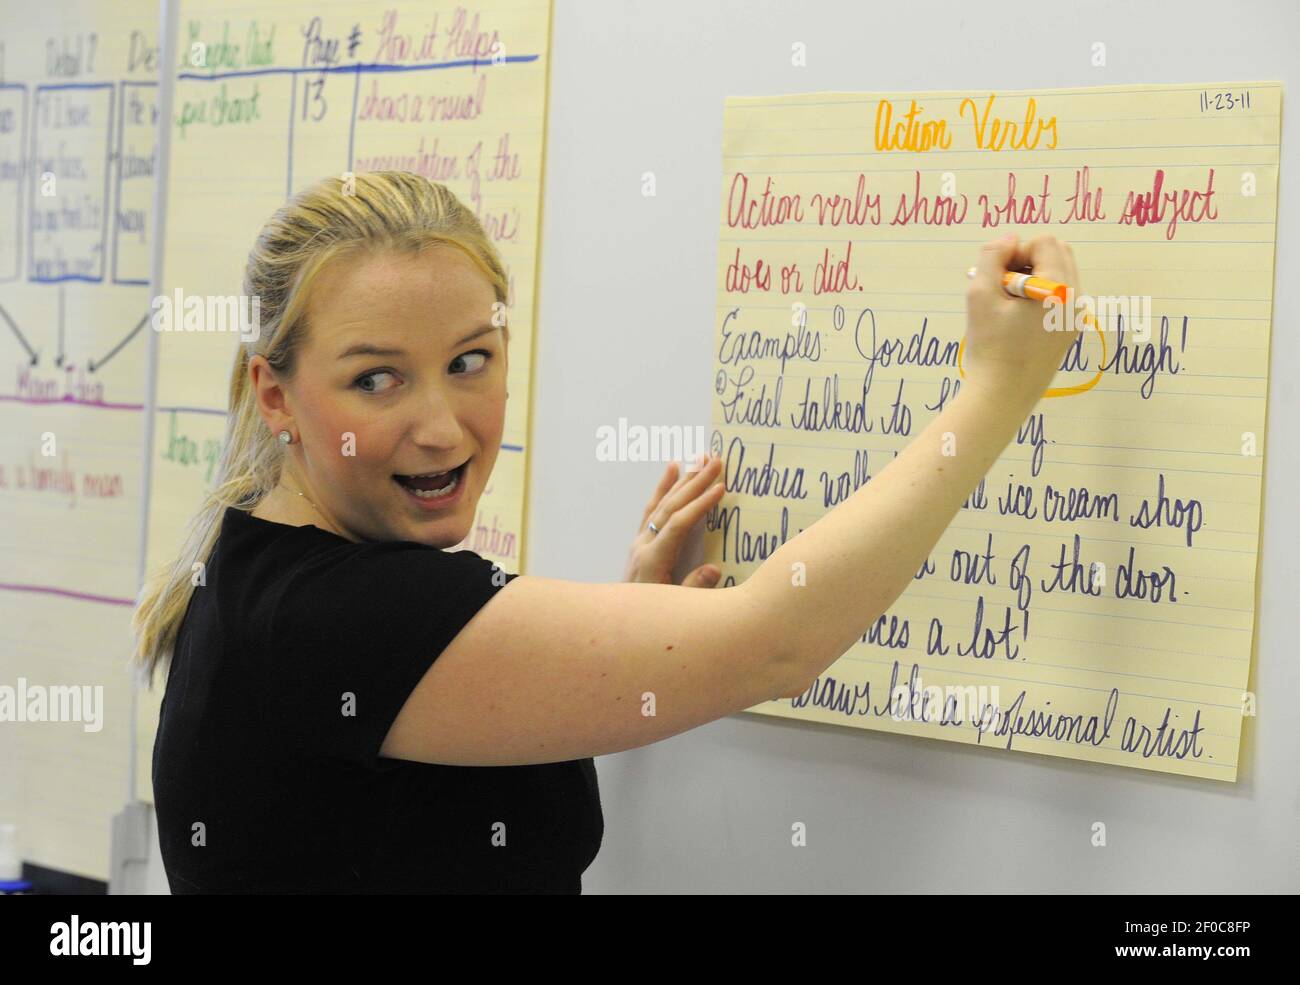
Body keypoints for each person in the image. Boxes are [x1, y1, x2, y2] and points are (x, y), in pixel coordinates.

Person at [132, 170, 1082, 893]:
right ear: (276, 392)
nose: (440, 424)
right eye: (375, 378)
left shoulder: (264, 569)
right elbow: (777, 644)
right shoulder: (335, 614)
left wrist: (627, 624)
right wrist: (999, 389)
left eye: (471, 361)